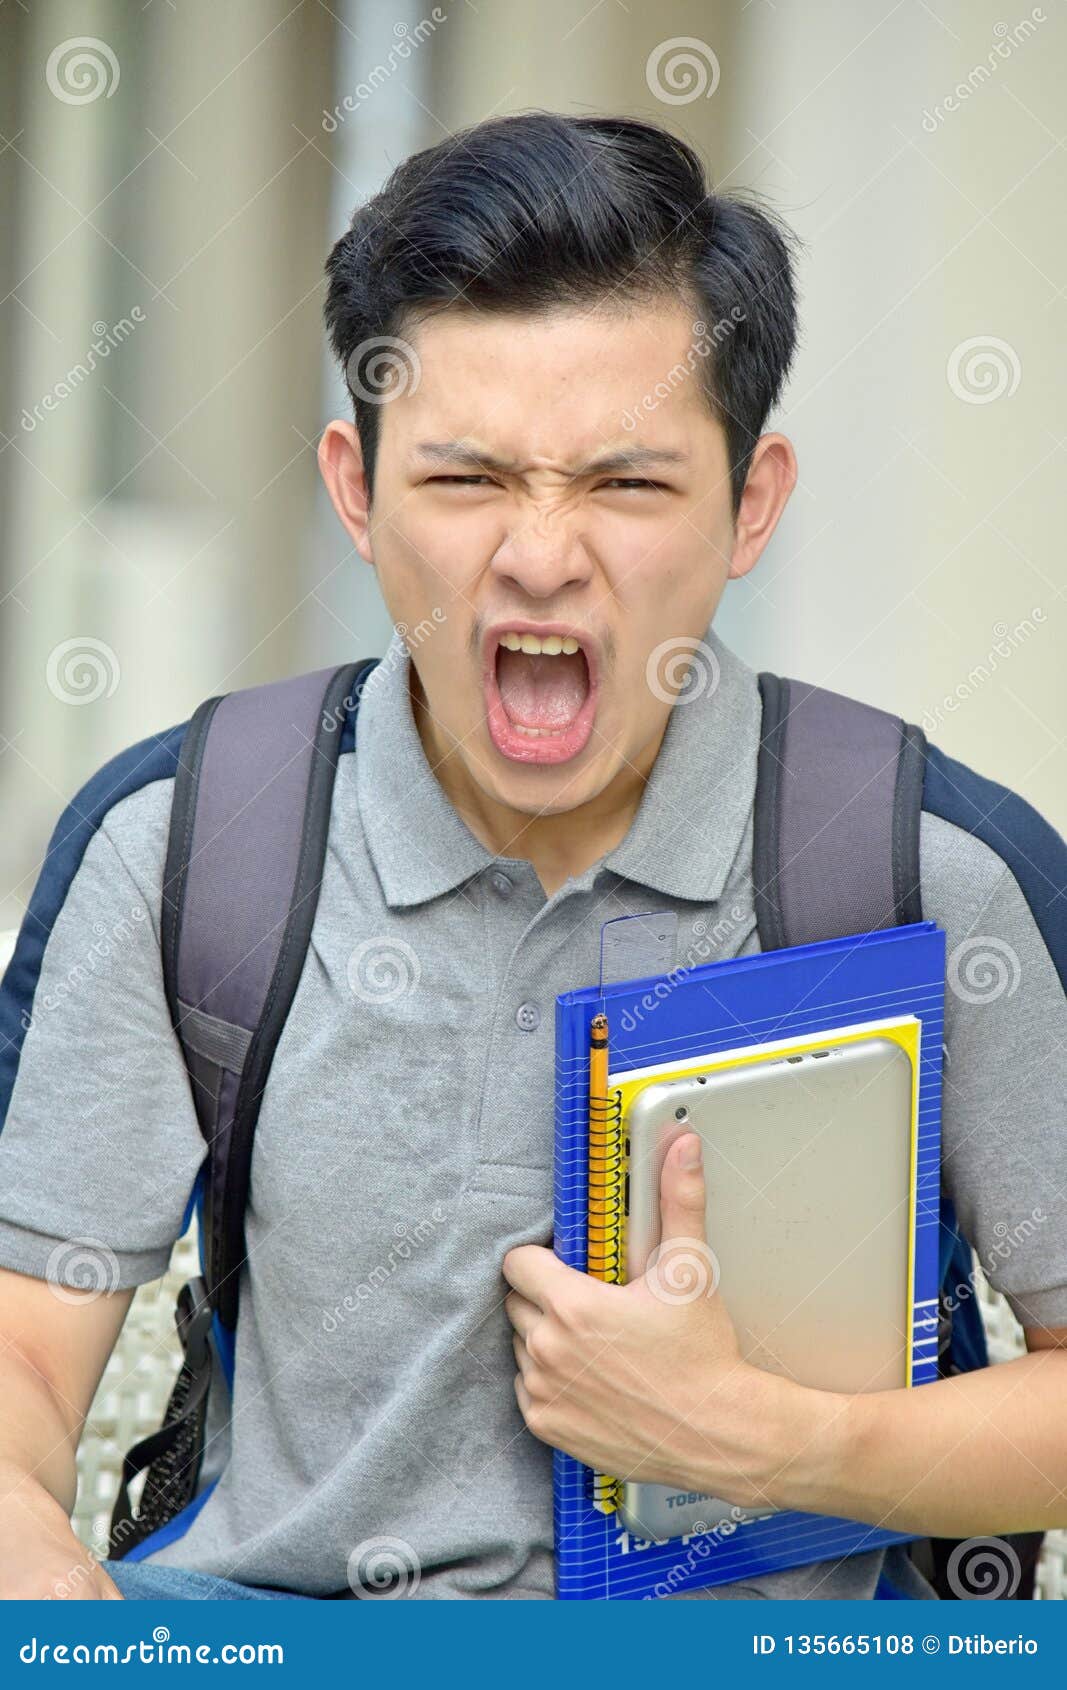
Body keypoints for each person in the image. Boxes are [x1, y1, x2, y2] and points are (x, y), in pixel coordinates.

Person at [0, 112, 1063, 1603]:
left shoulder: (937, 869)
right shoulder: (178, 847)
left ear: (751, 502)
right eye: (467, 478)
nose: (542, 554)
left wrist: (773, 1439)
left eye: (626, 485)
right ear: (356, 488)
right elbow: (22, 1366)